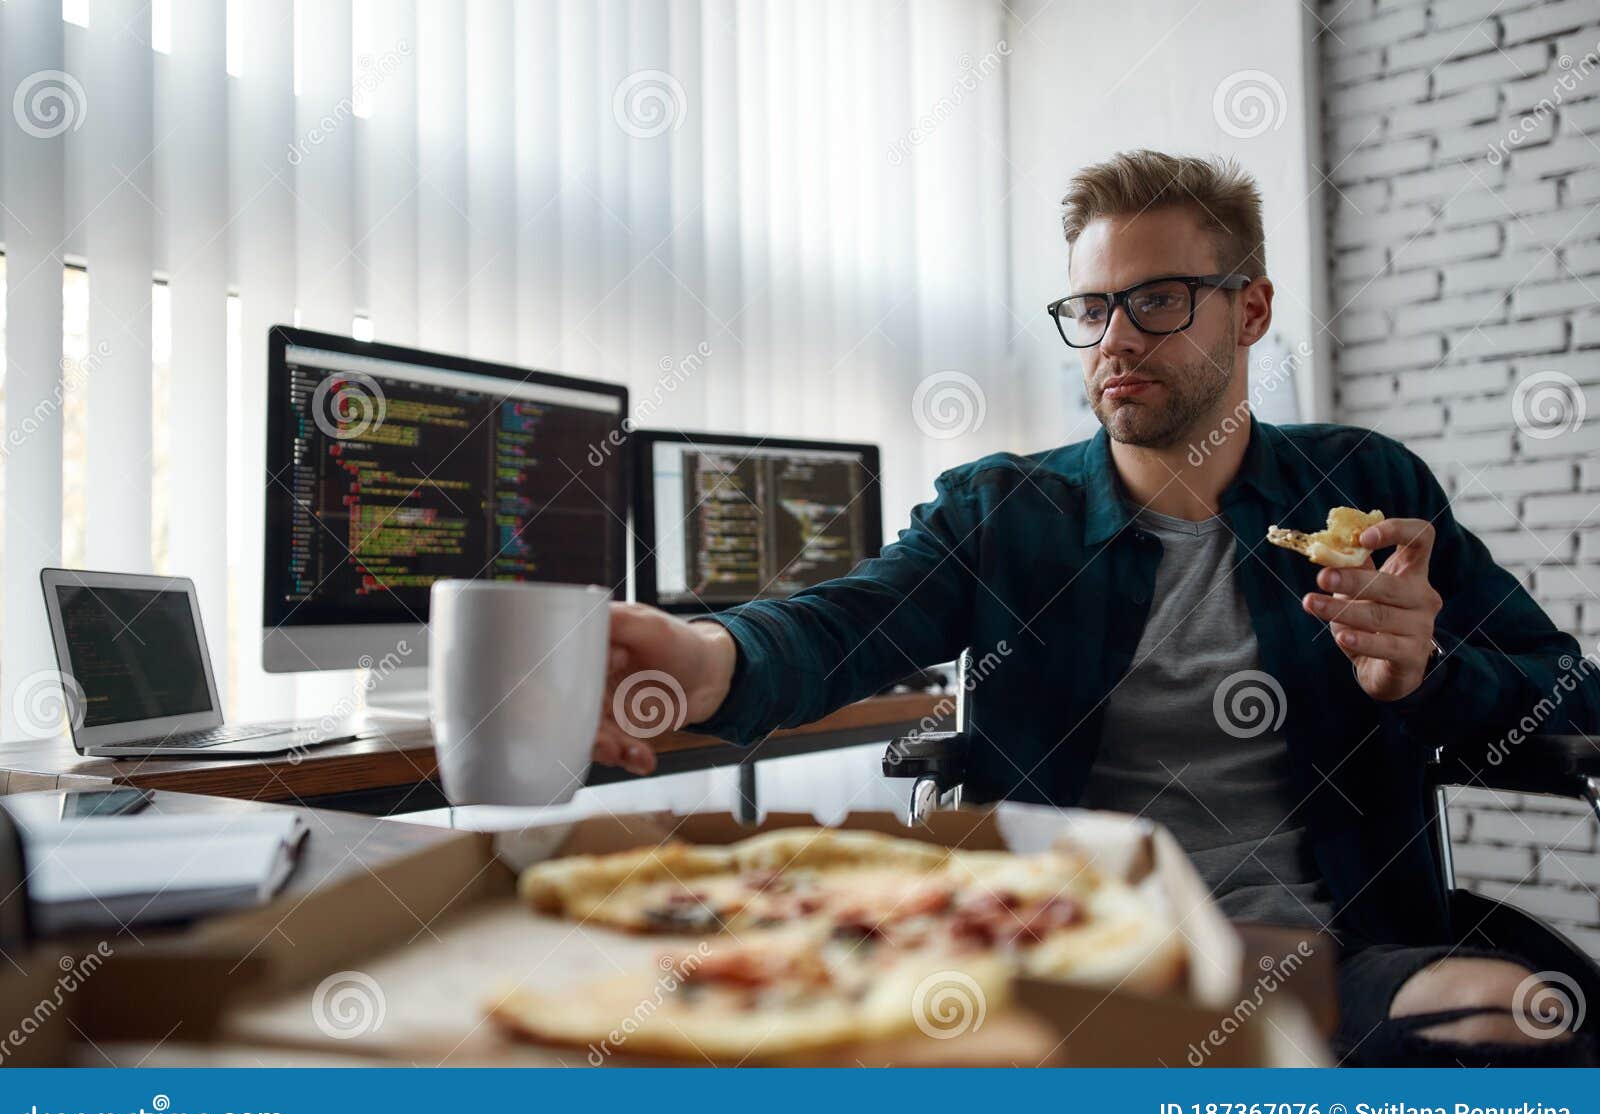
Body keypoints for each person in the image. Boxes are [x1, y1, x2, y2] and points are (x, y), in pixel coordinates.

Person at [589, 149, 1600, 1065]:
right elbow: (844, 624)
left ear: (1251, 311)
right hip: (1068, 961)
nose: (1115, 340)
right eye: (1091, 308)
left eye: (1157, 301)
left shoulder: (1365, 487)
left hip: (1323, 959)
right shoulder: (1001, 511)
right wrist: (706, 657)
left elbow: (1569, 699)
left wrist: (1427, 677)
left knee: (1517, 1019)